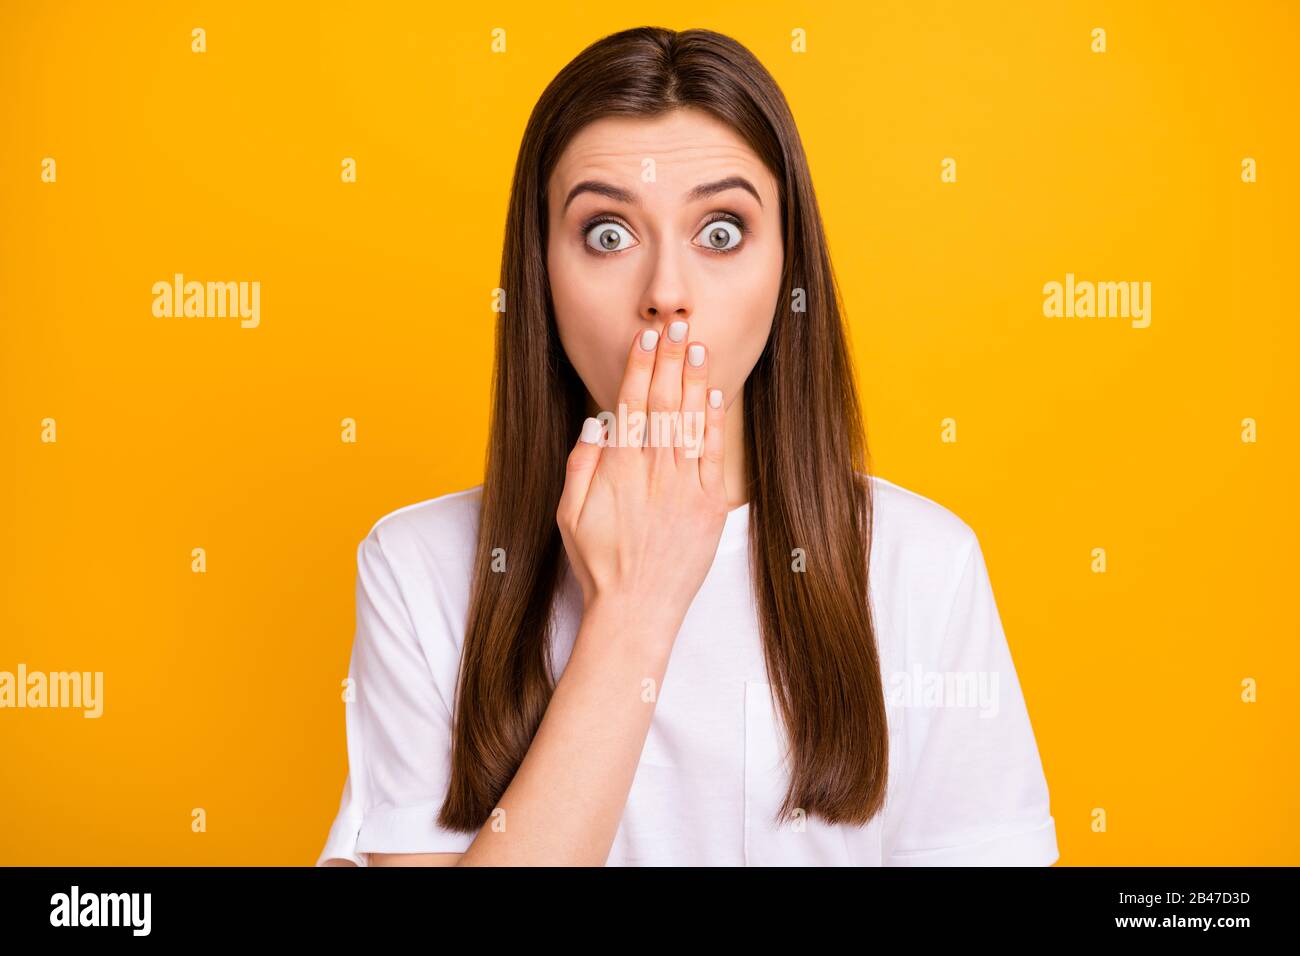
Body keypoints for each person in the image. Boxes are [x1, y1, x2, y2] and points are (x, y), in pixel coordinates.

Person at [317, 26, 1058, 867]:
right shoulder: (417, 570)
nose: (666, 294)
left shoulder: (924, 566)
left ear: (788, 270)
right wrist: (633, 611)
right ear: (541, 275)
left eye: (720, 232)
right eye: (607, 234)